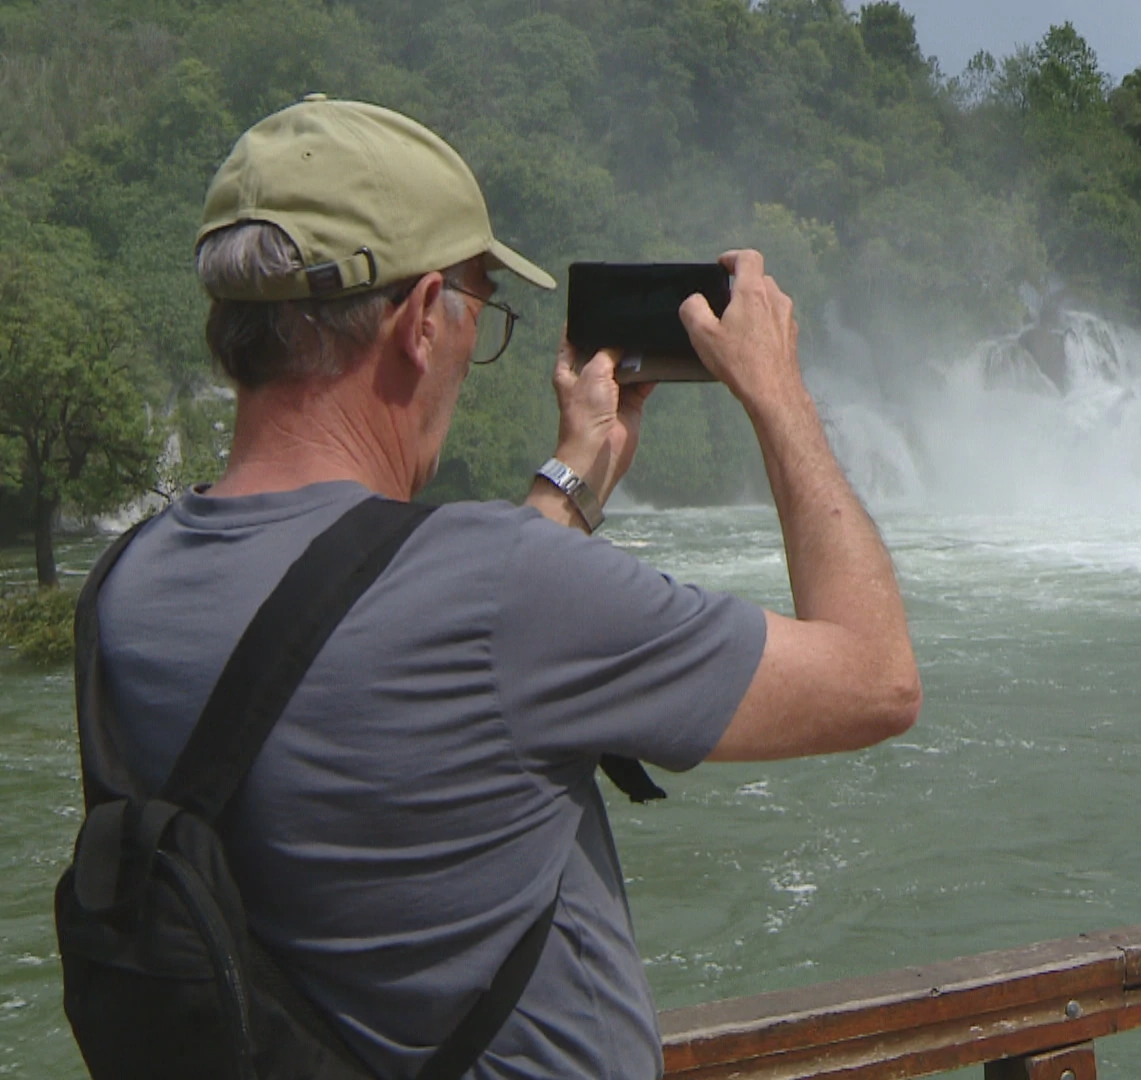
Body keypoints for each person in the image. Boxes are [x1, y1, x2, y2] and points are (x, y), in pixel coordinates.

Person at [91, 95, 920, 1078]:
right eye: (477, 312)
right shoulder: (505, 591)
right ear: (415, 321)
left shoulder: (125, 591)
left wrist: (575, 472)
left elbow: (377, 626)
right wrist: (778, 393)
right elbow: (875, 677)